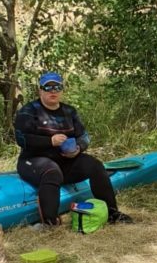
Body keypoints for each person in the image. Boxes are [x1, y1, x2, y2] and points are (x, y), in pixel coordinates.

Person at [14, 72, 133, 227]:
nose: (53, 91)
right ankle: (50, 224)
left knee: (96, 165)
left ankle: (112, 213)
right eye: (48, 87)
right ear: (40, 90)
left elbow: (84, 137)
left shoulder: (69, 111)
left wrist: (78, 148)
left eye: (57, 87)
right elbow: (21, 139)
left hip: (66, 160)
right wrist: (50, 141)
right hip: (32, 161)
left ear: (62, 90)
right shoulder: (29, 111)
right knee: (52, 172)